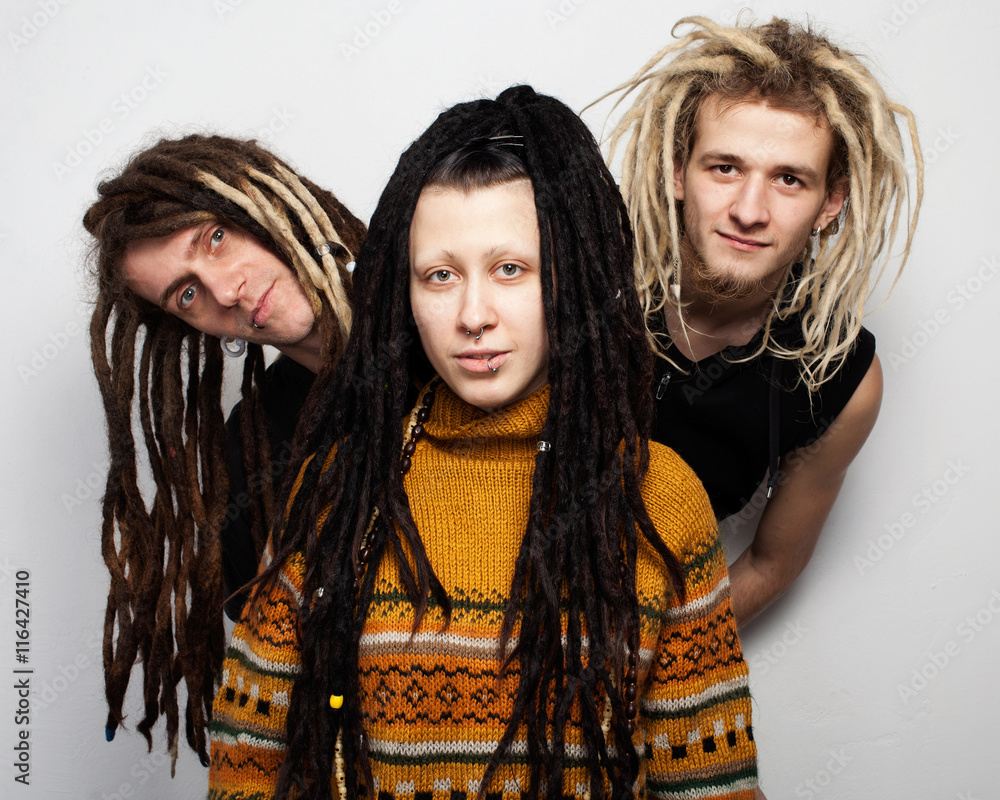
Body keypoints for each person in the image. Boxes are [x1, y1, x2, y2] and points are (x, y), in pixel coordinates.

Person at [207, 86, 758, 800]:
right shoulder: (338, 488)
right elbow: (247, 756)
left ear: (571, 278)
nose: (473, 315)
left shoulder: (658, 496)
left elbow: (711, 780)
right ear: (403, 293)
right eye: (440, 275)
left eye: (510, 270)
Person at [596, 16, 923, 626]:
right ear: (675, 172)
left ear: (830, 204)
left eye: (788, 180)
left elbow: (772, 563)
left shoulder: (840, 379)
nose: (749, 210)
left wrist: (650, 651)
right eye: (725, 168)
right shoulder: (582, 291)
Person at [83, 134, 366, 764]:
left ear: (265, 201)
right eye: (186, 294)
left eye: (214, 238)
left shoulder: (469, 318)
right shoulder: (250, 462)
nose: (225, 290)